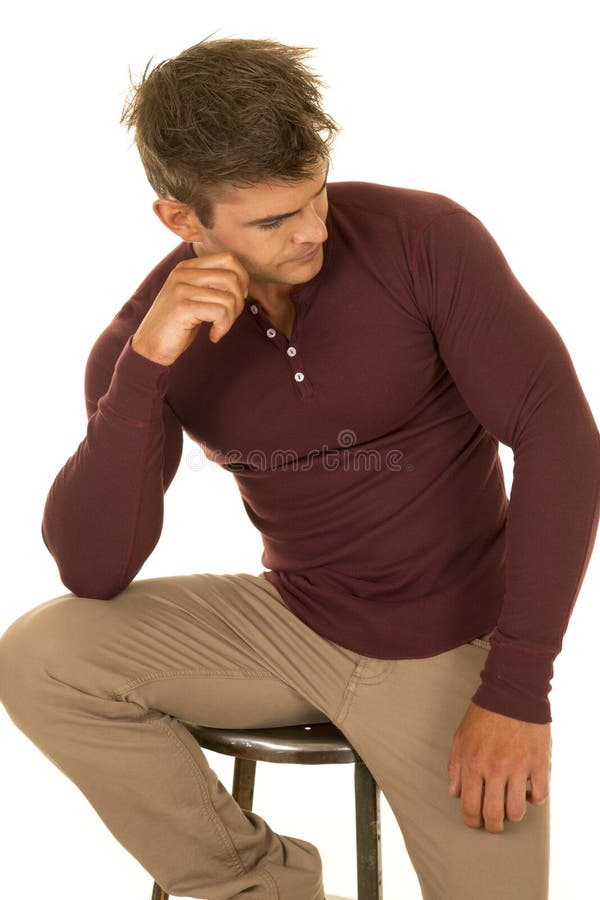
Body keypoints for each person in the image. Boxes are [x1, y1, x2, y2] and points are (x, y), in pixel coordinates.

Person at [0, 35, 598, 900]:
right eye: (276, 220)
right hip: (296, 620)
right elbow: (92, 569)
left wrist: (518, 688)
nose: (315, 229)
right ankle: (262, 885)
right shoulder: (147, 339)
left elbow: (559, 436)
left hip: (454, 643)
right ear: (181, 219)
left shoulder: (422, 238)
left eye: (315, 192)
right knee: (41, 656)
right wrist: (145, 372)